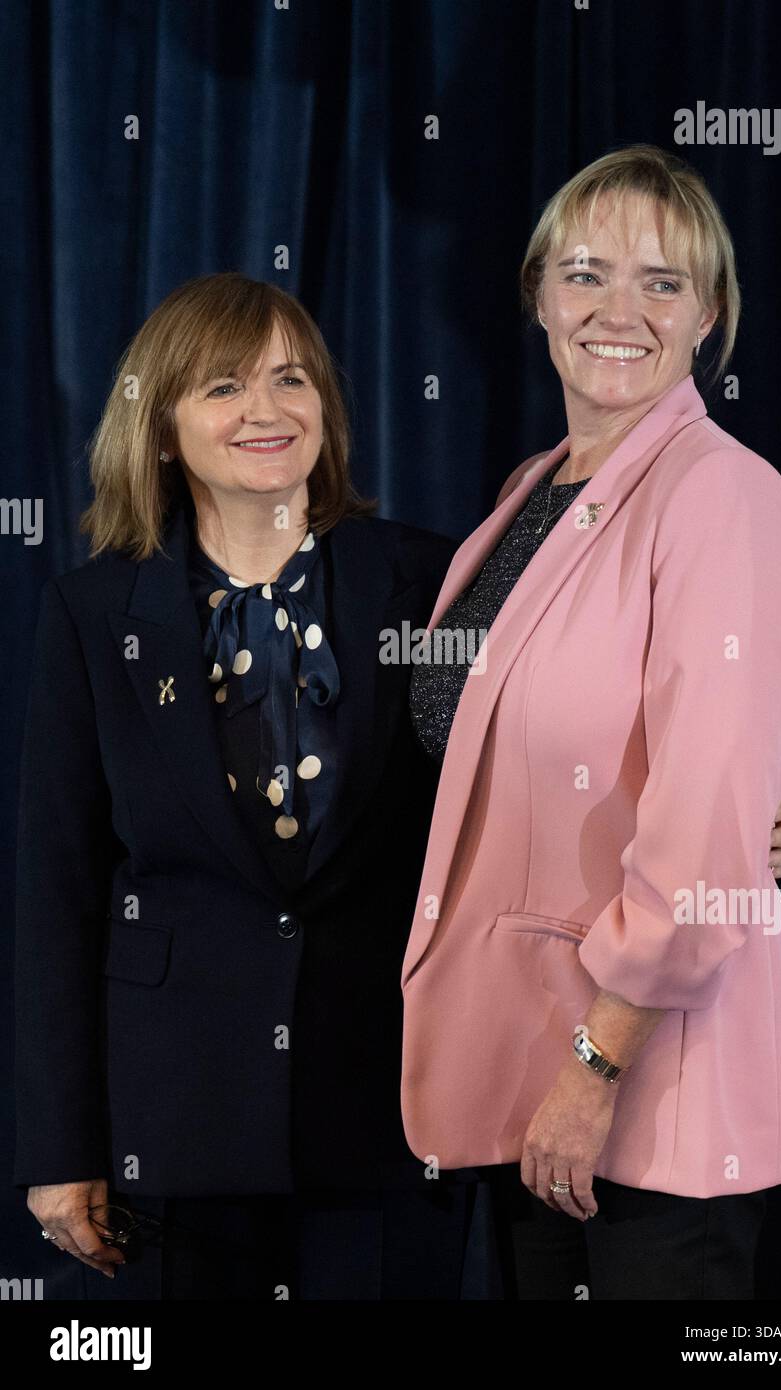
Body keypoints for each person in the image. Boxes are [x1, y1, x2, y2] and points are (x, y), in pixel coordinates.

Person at [403, 144, 781, 1300]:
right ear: (538, 293)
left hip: (651, 1086)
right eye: (585, 273)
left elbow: (703, 831)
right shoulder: (530, 494)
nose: (616, 311)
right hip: (532, 1075)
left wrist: (595, 1066)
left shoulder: (721, 495)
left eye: (660, 282)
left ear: (708, 314)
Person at [14, 271, 479, 1300]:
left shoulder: (431, 582)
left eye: (290, 378)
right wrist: (59, 1144)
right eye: (224, 386)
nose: (265, 409)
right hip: (170, 1130)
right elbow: (56, 894)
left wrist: (726, 809)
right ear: (162, 429)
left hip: (388, 1119)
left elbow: (526, 781)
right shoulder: (92, 614)